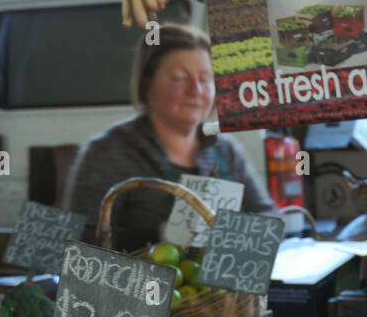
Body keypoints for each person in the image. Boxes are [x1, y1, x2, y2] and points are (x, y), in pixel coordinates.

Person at [63, 23, 276, 253]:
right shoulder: (107, 152)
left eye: (205, 79)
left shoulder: (225, 149)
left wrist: (238, 231)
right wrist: (162, 235)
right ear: (148, 85)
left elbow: (269, 216)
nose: (195, 89)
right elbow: (81, 243)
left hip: (218, 289)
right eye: (180, 77)